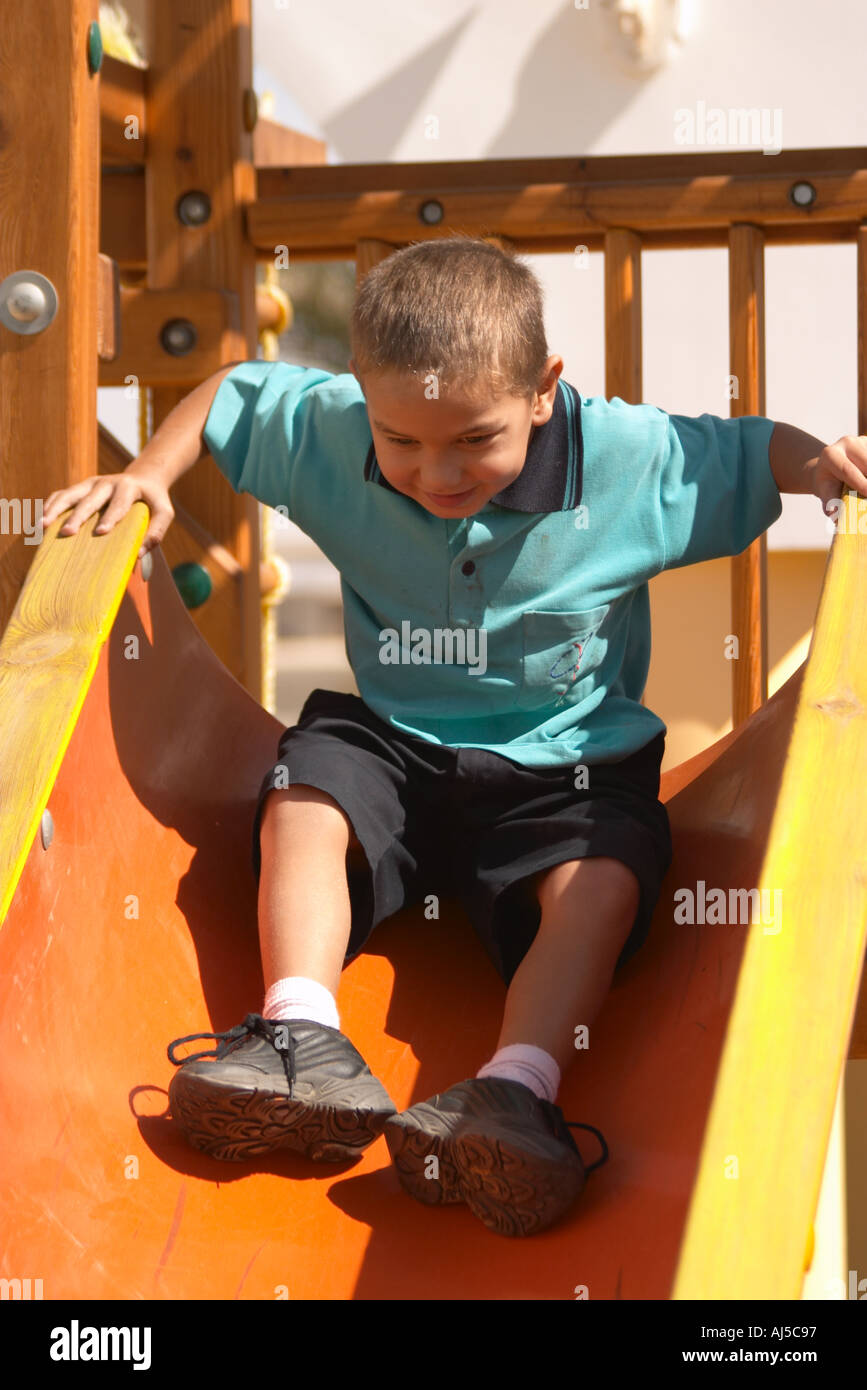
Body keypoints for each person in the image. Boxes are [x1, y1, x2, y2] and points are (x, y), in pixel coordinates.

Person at [40, 235, 865, 1239]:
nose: (438, 472)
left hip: (567, 769)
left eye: (474, 439)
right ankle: (301, 1032)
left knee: (603, 875)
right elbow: (229, 395)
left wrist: (822, 458)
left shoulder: (628, 462)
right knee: (307, 783)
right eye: (404, 441)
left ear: (542, 391)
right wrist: (148, 476)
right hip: (396, 743)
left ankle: (514, 1091)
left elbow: (748, 451)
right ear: (364, 401)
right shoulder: (335, 432)